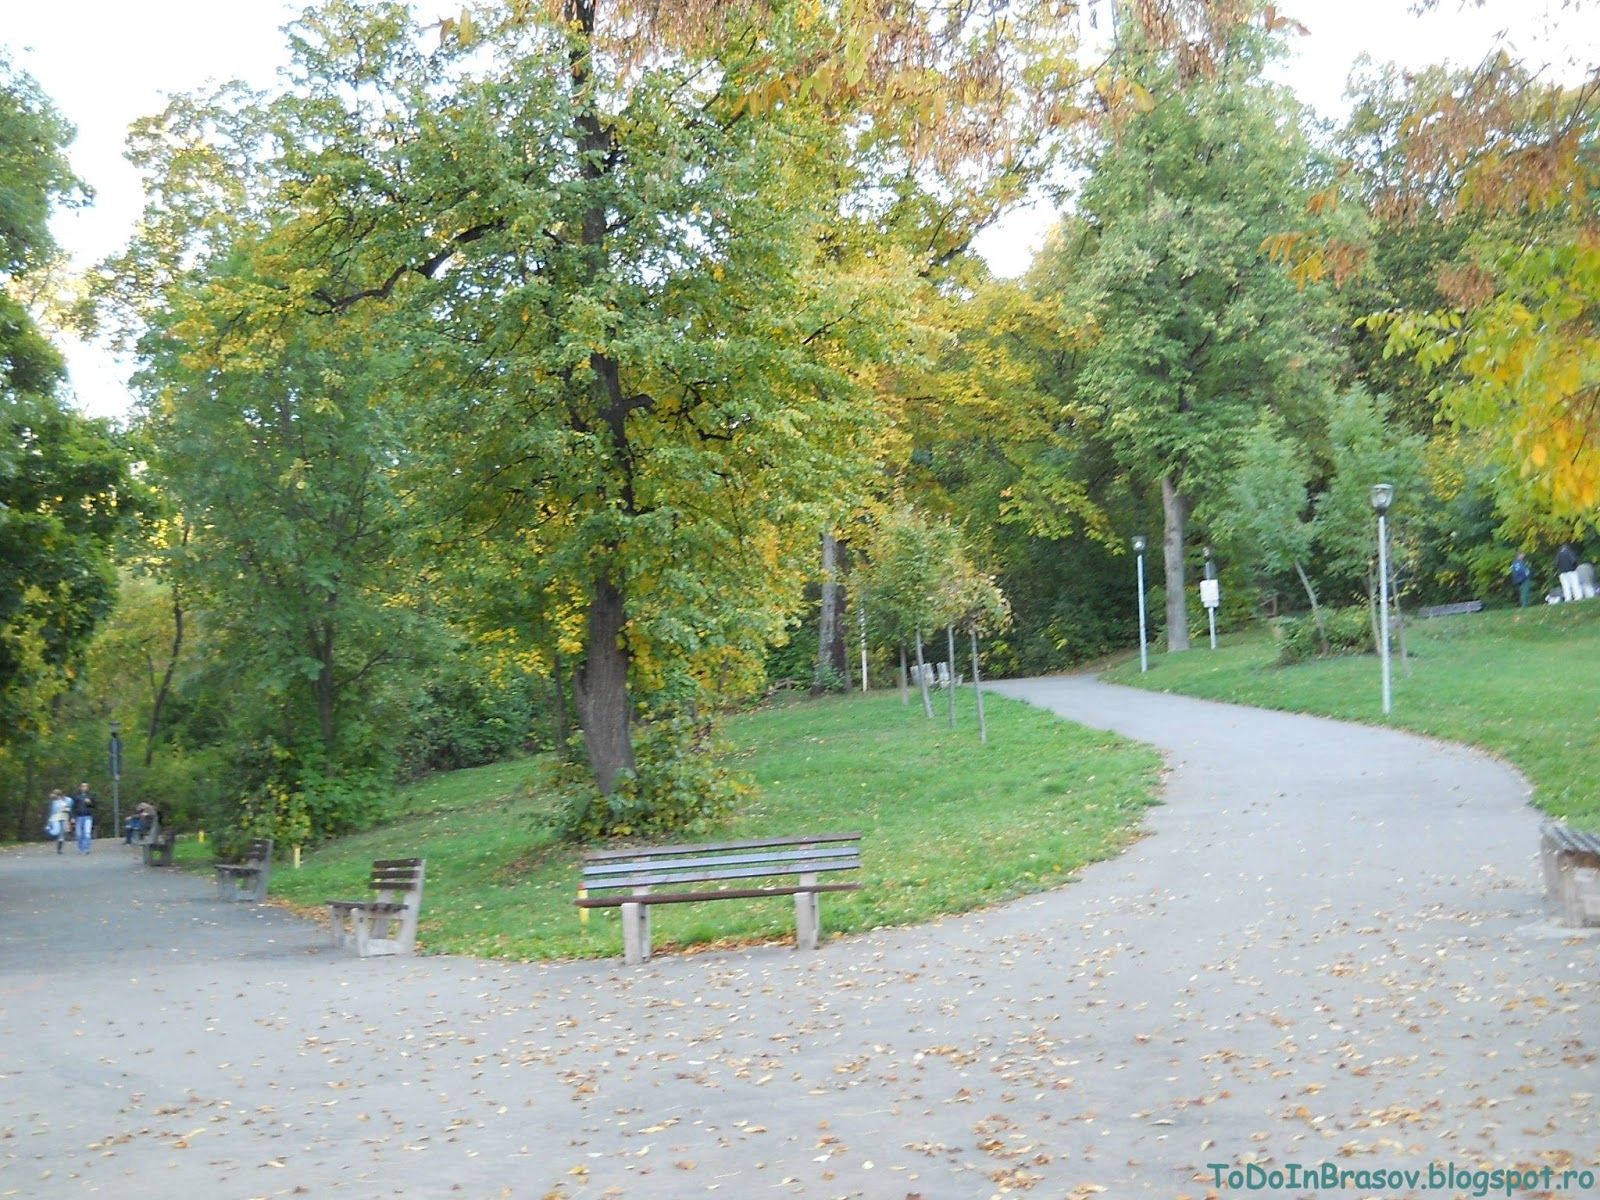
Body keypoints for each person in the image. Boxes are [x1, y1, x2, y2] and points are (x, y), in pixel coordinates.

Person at [71, 782, 95, 854]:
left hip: (88, 817)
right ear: (80, 787)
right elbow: (73, 808)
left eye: (86, 786)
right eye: (83, 786)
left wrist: (89, 803)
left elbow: (95, 806)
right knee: (79, 834)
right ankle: (81, 848)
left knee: (87, 833)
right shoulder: (76, 796)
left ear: (88, 787)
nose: (84, 788)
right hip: (79, 817)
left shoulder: (91, 796)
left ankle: (86, 849)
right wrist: (72, 817)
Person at [46, 789, 71, 854]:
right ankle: (48, 831)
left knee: (62, 833)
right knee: (56, 831)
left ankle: (59, 849)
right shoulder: (54, 802)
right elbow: (52, 811)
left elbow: (69, 808)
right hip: (56, 818)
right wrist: (49, 821)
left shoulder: (66, 800)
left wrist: (67, 810)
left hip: (64, 817)